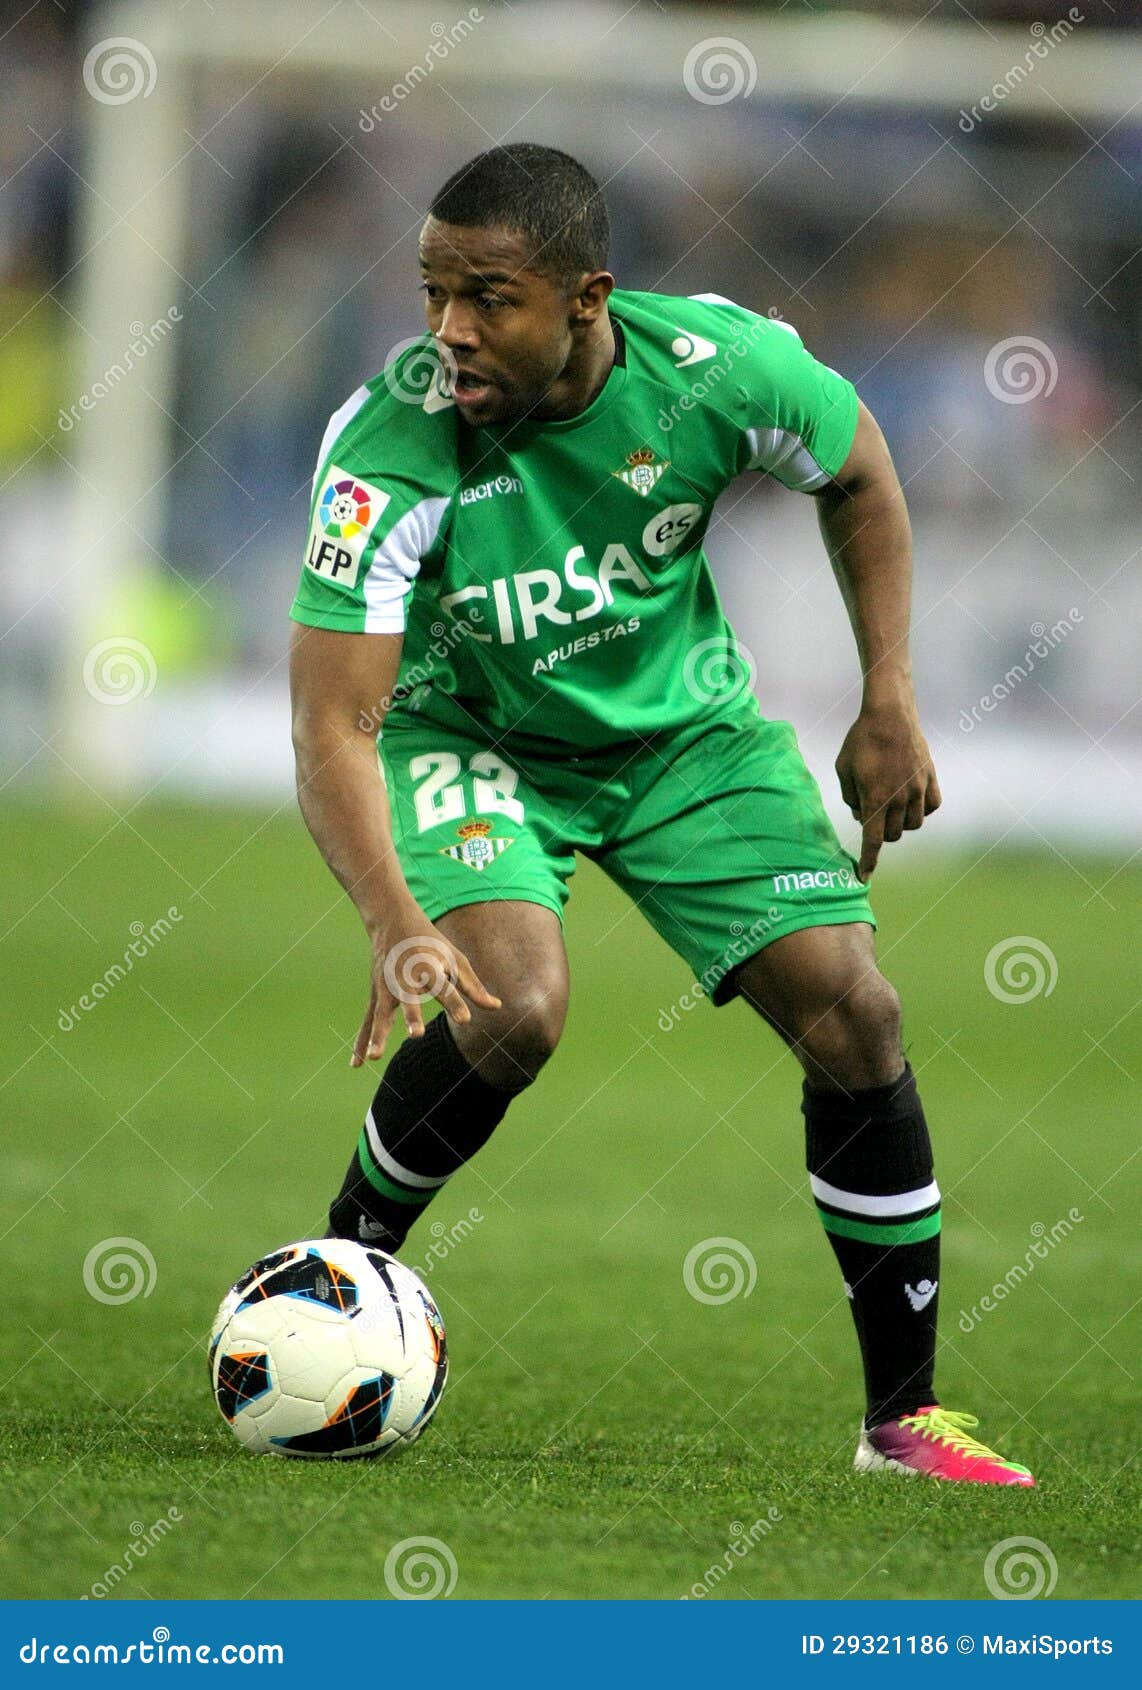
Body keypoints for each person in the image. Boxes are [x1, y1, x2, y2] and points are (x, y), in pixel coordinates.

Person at [288, 143, 1033, 1486]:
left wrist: (887, 696)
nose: (448, 329)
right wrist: (393, 916)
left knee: (852, 1008)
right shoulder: (386, 447)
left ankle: (902, 1423)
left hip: (684, 735)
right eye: (432, 292)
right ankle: (335, 1275)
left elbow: (857, 466)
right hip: (473, 737)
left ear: (588, 299)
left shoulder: (719, 368)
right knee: (509, 1006)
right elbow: (333, 722)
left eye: (488, 297)